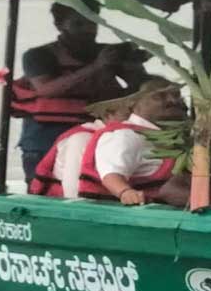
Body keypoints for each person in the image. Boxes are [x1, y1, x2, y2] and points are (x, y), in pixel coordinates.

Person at [13, 0, 150, 184]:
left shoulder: (109, 53)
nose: (88, 29)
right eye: (78, 23)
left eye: (92, 22)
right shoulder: (38, 55)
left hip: (97, 134)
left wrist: (133, 66)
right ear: (59, 24)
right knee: (43, 186)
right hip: (45, 137)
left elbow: (140, 89)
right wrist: (97, 67)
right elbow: (47, 89)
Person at [78, 77, 188, 205]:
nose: (172, 100)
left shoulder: (172, 136)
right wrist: (125, 192)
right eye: (160, 96)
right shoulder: (125, 135)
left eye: (176, 95)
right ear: (133, 103)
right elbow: (111, 173)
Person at [28, 101, 131, 198]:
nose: (133, 120)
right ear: (108, 114)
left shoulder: (116, 137)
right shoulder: (83, 138)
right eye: (128, 114)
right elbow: (72, 189)